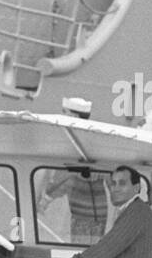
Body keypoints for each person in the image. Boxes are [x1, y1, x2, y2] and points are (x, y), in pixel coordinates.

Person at [63, 165, 152, 258]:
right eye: (113, 183)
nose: (115, 188)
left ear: (136, 188)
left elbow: (106, 248)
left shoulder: (137, 212)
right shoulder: (132, 210)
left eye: (122, 183)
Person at [39, 98, 109, 242]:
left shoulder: (74, 142)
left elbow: (65, 177)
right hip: (98, 212)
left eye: (65, 112)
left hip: (84, 214)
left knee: (81, 254)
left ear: (74, 117)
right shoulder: (93, 139)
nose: (61, 114)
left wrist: (46, 198)